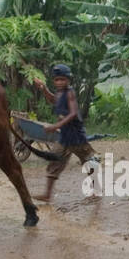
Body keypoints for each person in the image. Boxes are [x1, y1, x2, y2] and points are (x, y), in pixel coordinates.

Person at [32, 64, 96, 203]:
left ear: (68, 80)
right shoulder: (60, 93)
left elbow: (73, 113)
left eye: (62, 79)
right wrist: (44, 88)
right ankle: (47, 195)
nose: (60, 82)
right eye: (57, 79)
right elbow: (53, 99)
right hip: (64, 137)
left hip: (76, 136)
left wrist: (55, 126)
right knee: (54, 162)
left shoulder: (70, 93)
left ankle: (96, 191)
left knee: (88, 163)